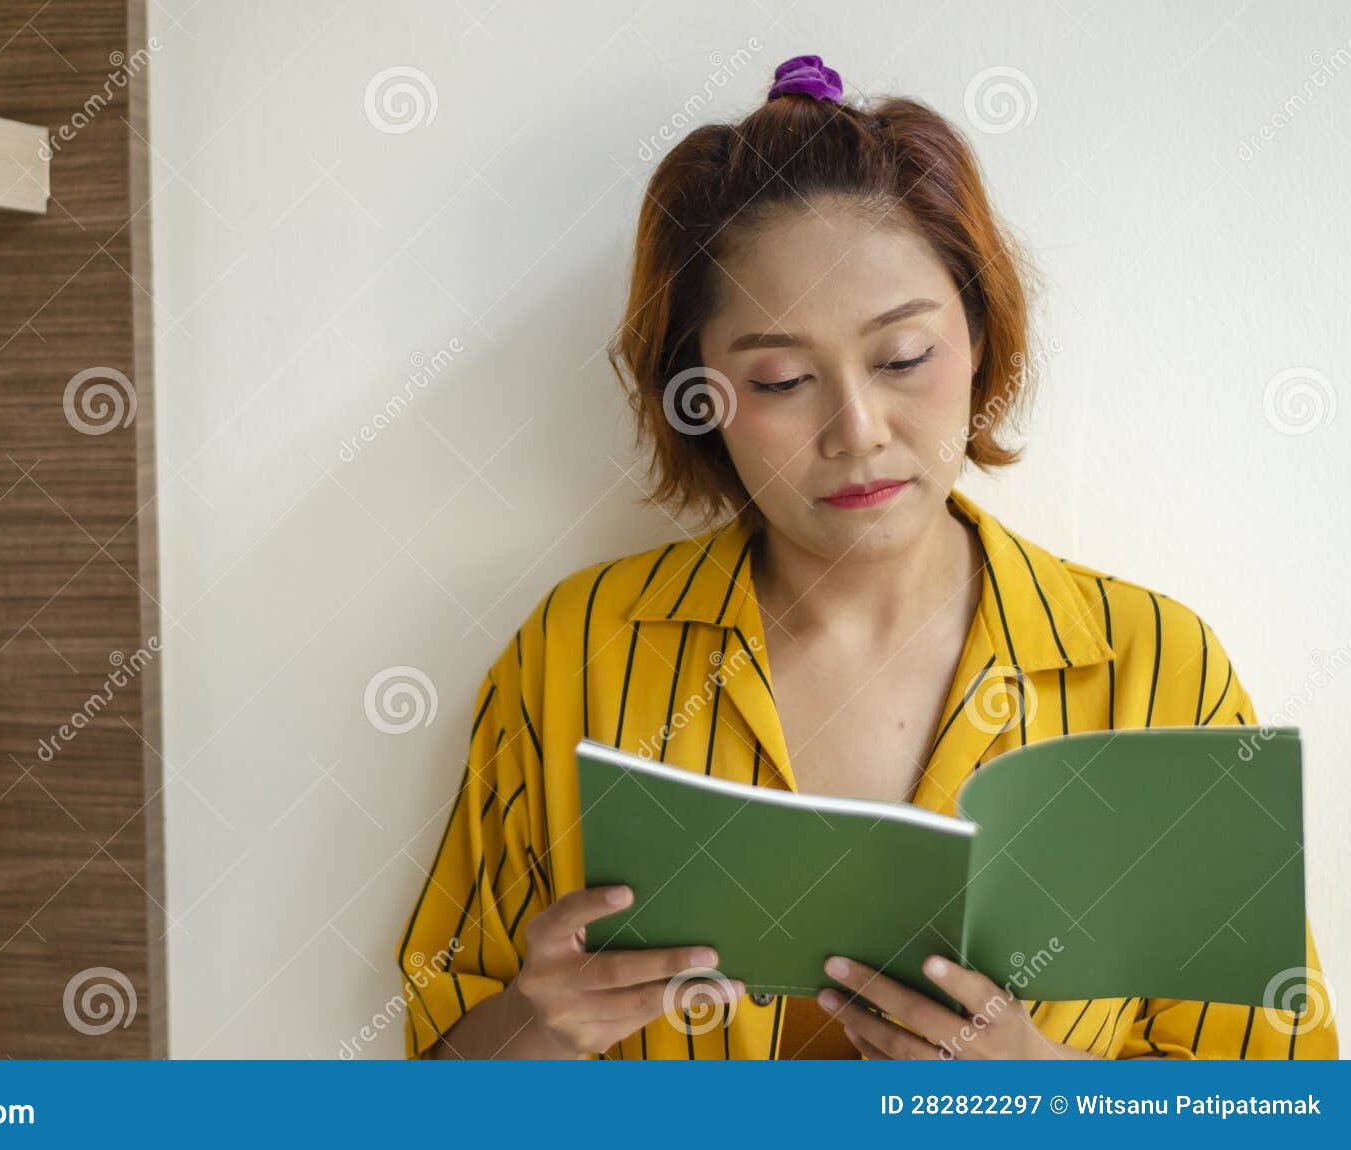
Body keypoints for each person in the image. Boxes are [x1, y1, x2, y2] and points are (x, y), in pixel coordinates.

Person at [394, 53, 1338, 1060]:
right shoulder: (575, 648)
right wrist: (534, 1030)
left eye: (901, 360)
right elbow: (437, 1084)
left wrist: (1046, 1090)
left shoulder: (1158, 668)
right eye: (781, 378)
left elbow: (1282, 1103)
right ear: (699, 395)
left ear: (976, 337)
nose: (855, 428)